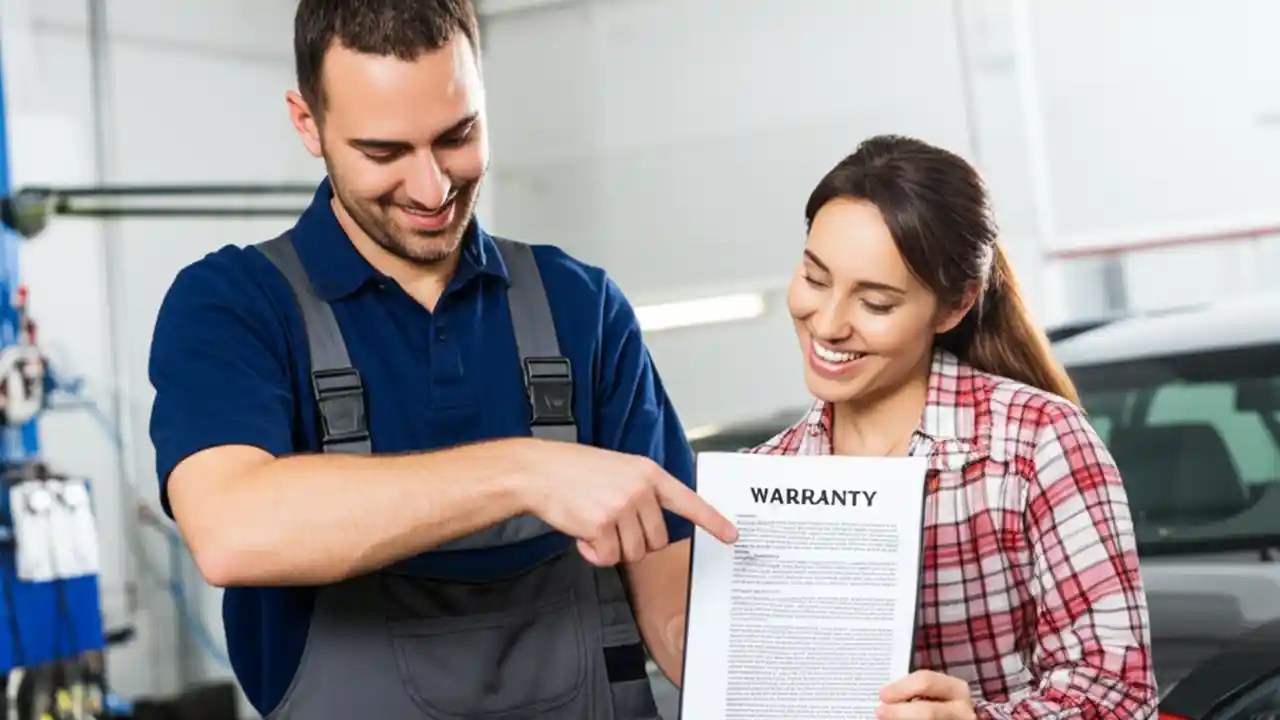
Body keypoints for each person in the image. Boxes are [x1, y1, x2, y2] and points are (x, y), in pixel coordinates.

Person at [146, 1, 737, 717]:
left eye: (457, 136)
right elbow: (233, 532)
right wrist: (525, 470)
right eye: (384, 152)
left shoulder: (580, 307)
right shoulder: (236, 306)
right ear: (308, 124)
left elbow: (675, 608)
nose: (432, 189)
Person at [749, 135, 1157, 719]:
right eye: (815, 279)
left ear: (954, 306)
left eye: (877, 303)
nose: (829, 323)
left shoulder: (1036, 445)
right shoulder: (762, 480)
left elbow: (1120, 698)